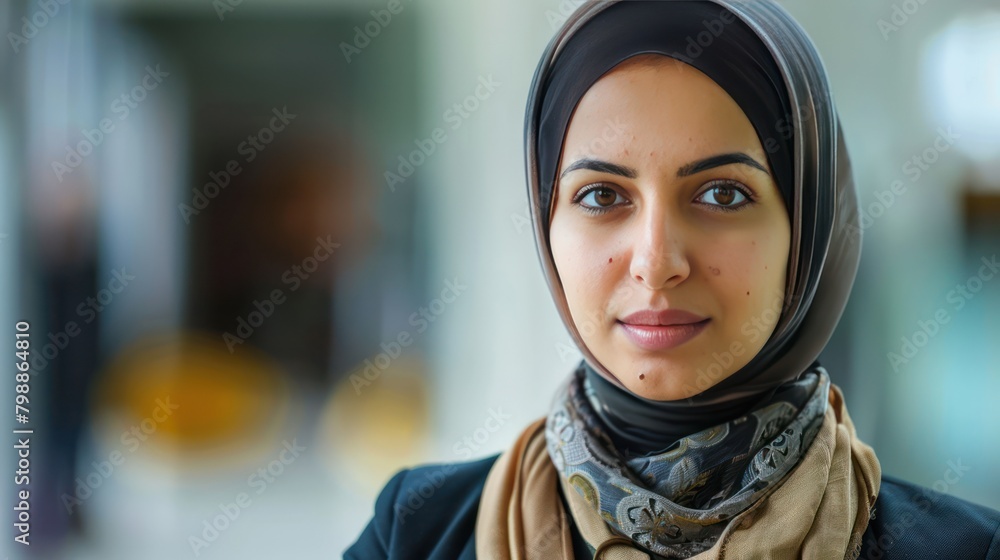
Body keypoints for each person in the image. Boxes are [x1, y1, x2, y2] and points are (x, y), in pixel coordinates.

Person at [345, 1, 1000, 558]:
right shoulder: (415, 534)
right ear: (547, 225)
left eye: (722, 194)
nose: (656, 263)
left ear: (809, 229)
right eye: (602, 196)